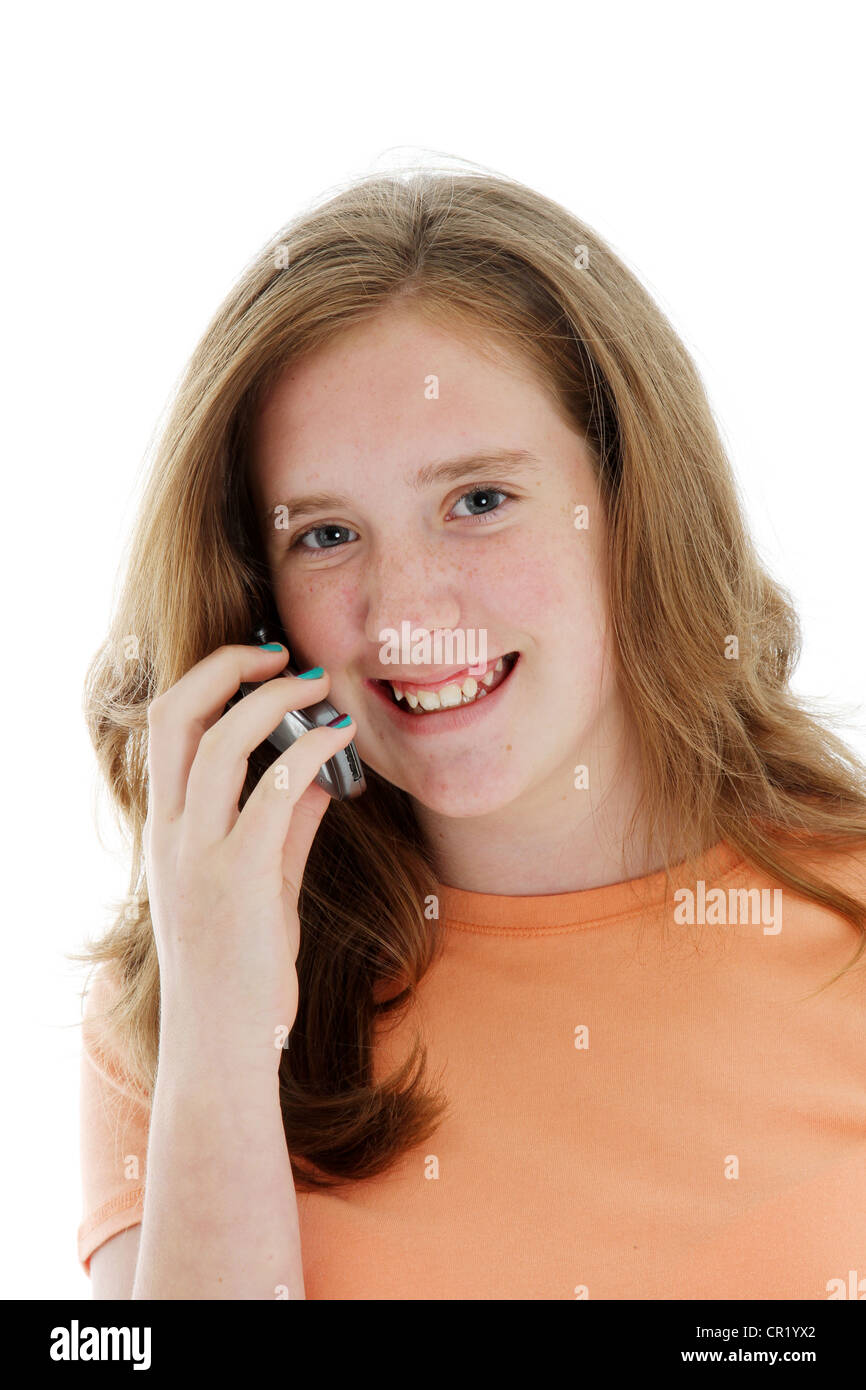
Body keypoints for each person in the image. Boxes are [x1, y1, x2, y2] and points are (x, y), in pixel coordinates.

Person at [75, 164, 866, 1301]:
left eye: (478, 500)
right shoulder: (179, 1011)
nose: (403, 610)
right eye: (327, 534)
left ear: (631, 505)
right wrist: (223, 1036)